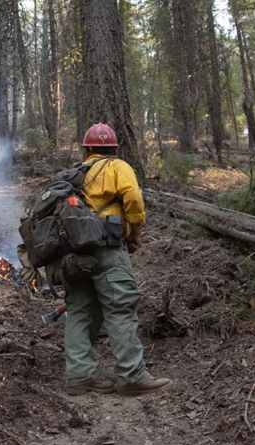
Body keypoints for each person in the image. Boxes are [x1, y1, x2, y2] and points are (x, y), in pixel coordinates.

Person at [63, 123, 171, 396]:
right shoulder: (117, 166)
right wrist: (136, 233)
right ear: (114, 148)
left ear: (86, 148)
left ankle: (79, 376)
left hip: (75, 254)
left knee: (79, 311)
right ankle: (132, 376)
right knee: (120, 308)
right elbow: (133, 197)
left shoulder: (75, 173)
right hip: (108, 248)